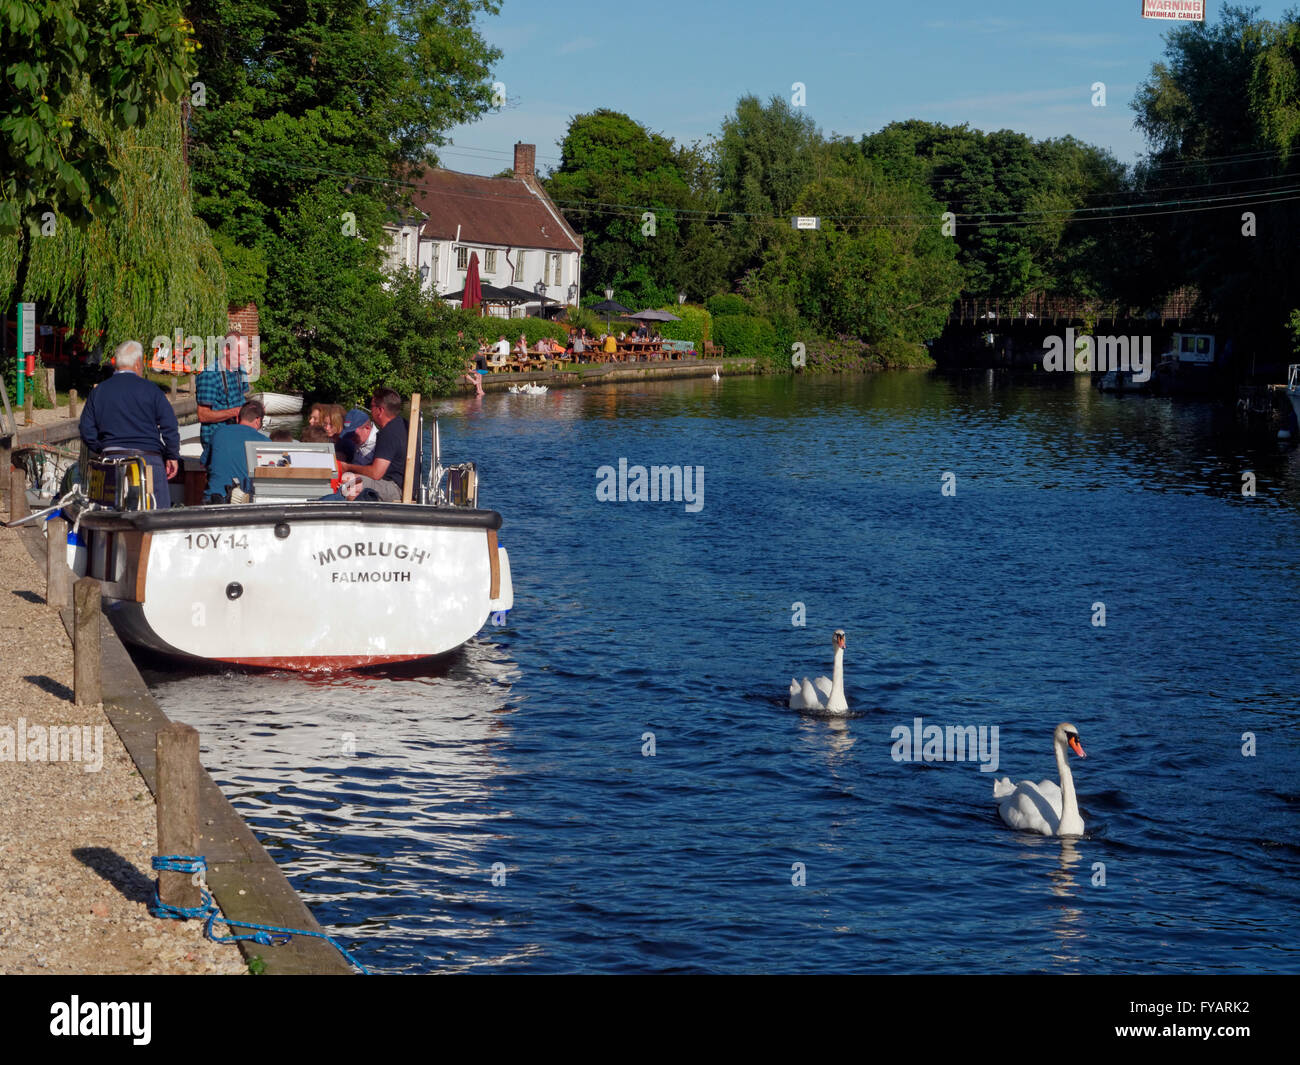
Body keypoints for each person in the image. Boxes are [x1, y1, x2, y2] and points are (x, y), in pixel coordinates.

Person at [79, 340, 182, 508]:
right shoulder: (153, 391)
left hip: (112, 462)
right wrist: (172, 455)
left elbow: (86, 429)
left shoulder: (98, 392)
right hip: (148, 461)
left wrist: (102, 448)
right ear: (137, 364)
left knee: (110, 517)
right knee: (156, 516)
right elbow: (169, 426)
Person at [338, 388, 410, 502]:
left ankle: (353, 516)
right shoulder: (404, 425)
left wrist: (347, 467)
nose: (371, 411)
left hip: (396, 489)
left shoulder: (387, 433)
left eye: (372, 407)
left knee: (350, 481)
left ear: (380, 410)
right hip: (403, 486)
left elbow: (376, 473)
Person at [195, 340, 249, 464]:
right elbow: (203, 415)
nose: (243, 360)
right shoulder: (210, 375)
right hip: (217, 442)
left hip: (237, 437)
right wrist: (235, 412)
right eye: (240, 355)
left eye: (245, 355)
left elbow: (243, 399)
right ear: (226, 350)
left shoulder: (240, 370)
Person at [204, 399, 268, 503]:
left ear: (237, 418)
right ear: (258, 420)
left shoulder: (218, 432)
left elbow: (204, 464)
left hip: (212, 499)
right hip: (242, 503)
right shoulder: (265, 442)